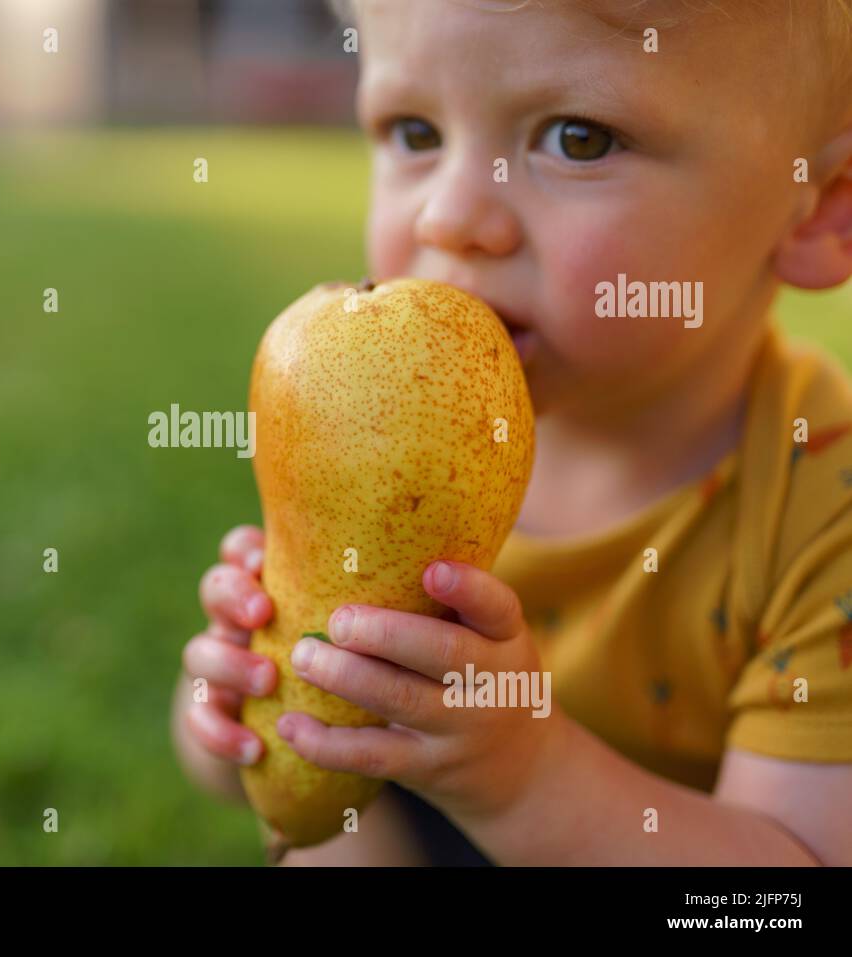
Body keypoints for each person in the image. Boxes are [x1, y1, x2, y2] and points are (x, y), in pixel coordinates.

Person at [171, 0, 852, 865]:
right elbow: (283, 775)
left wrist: (527, 777)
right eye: (415, 130)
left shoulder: (825, 508)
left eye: (578, 138)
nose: (448, 218)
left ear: (822, 208)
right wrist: (237, 702)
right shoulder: (389, 437)